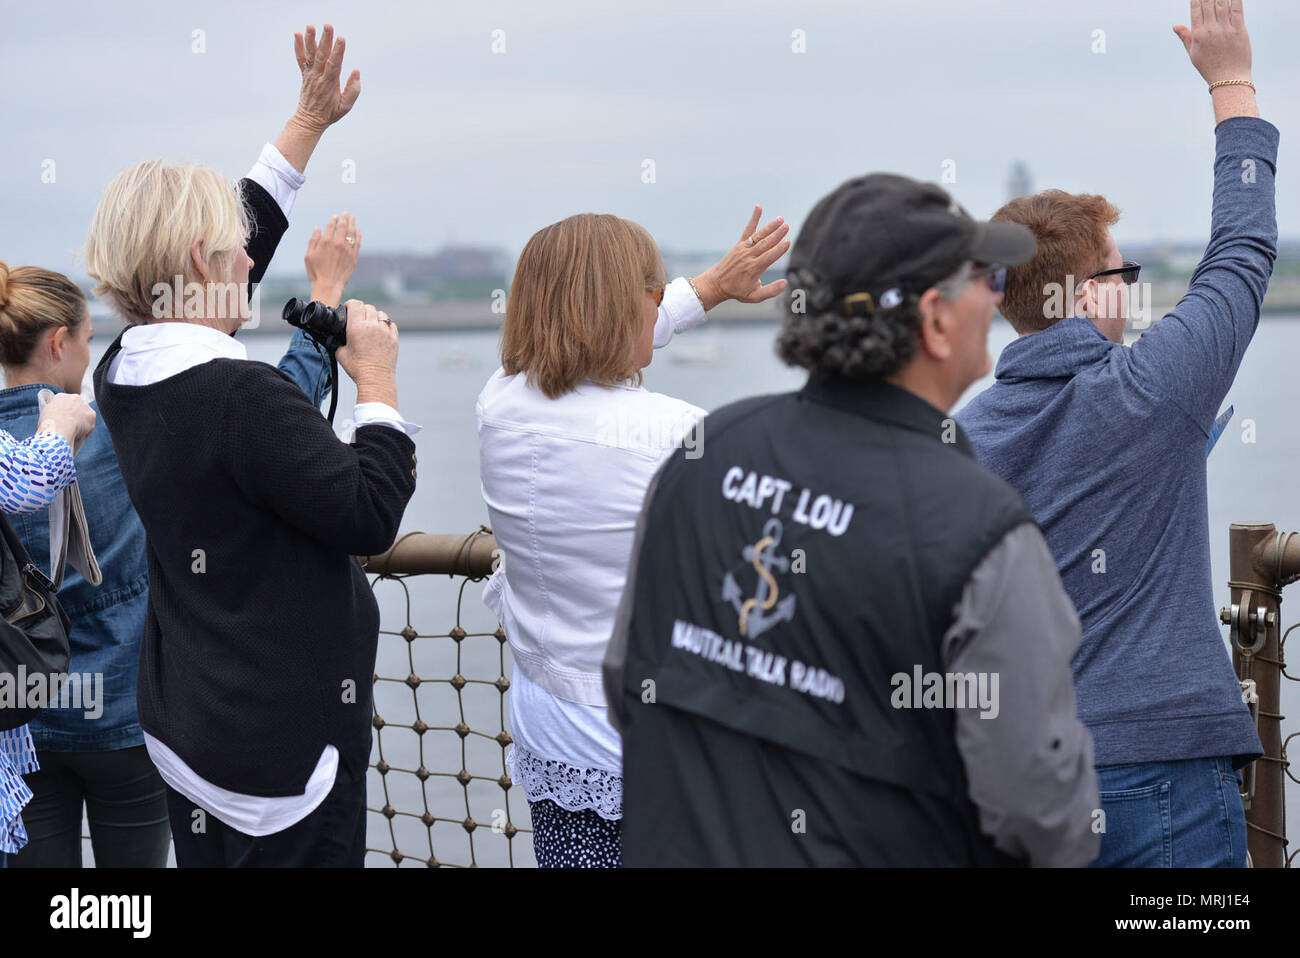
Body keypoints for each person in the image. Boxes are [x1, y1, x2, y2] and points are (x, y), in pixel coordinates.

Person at [604, 173, 1101, 867]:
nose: (996, 296)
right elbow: (1040, 809)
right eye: (983, 279)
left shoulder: (704, 452)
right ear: (933, 319)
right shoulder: (978, 525)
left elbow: (626, 675)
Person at [85, 23, 418, 868]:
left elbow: (235, 244)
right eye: (236, 248)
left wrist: (306, 122)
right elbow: (369, 513)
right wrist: (375, 380)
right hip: (283, 767)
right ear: (203, 258)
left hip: (192, 729)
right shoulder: (241, 397)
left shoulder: (122, 367)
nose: (251, 257)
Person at [955, 0, 1270, 867]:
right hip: (1158, 775)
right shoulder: (1150, 391)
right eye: (1121, 271)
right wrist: (1231, 84)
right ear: (1091, 291)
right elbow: (1242, 253)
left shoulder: (962, 433)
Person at [0, 212, 358, 868]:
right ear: (58, 343)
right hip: (122, 716)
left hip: (16, 722)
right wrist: (324, 300)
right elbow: (271, 415)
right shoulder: (116, 428)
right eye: (84, 338)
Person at [477, 207, 790, 867]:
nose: (659, 305)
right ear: (626, 307)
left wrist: (705, 288)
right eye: (651, 293)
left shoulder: (498, 405)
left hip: (552, 738)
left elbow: (581, 345)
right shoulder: (678, 433)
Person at [0, 370, 96, 867]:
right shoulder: (112, 430)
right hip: (109, 714)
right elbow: (25, 483)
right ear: (60, 342)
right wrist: (61, 418)